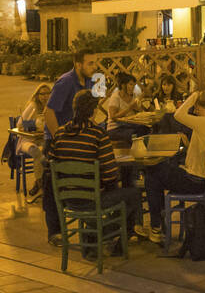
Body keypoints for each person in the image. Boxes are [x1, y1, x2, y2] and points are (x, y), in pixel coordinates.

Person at [45, 90, 144, 243]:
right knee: (133, 194)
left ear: (74, 108)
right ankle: (113, 235)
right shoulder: (98, 135)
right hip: (92, 199)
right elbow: (110, 175)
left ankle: (96, 233)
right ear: (94, 110)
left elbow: (51, 165)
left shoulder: (59, 134)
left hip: (66, 199)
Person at [142, 90, 205, 243]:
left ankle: (156, 226)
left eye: (197, 108)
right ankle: (159, 225)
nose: (195, 111)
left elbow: (177, 115)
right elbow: (201, 150)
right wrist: (186, 144)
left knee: (152, 174)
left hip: (194, 181)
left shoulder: (204, 122)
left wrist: (193, 96)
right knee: (159, 172)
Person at [40, 50, 98, 244]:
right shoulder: (66, 82)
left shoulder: (89, 82)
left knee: (82, 181)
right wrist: (60, 139)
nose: (94, 67)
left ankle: (89, 231)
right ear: (78, 64)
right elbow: (48, 113)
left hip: (76, 138)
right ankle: (54, 232)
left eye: (95, 63)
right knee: (53, 185)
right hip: (58, 140)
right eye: (90, 63)